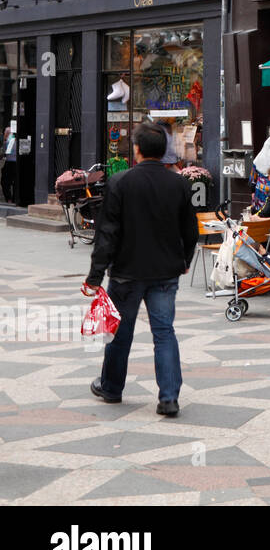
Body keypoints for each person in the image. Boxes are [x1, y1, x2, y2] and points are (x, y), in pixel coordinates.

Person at [84, 121, 198, 417]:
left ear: (136, 150)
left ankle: (111, 387)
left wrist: (95, 276)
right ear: (163, 152)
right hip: (165, 271)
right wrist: (184, 259)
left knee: (120, 332)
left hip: (126, 272)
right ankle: (169, 397)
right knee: (164, 332)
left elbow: (107, 233)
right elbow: (191, 230)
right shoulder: (179, 183)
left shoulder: (120, 182)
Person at [1, 125, 16, 203]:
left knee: (5, 182)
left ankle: (10, 200)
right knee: (10, 183)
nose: (4, 134)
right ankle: (12, 199)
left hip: (11, 163)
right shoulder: (10, 139)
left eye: (5, 132)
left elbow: (5, 152)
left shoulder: (10, 139)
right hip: (11, 162)